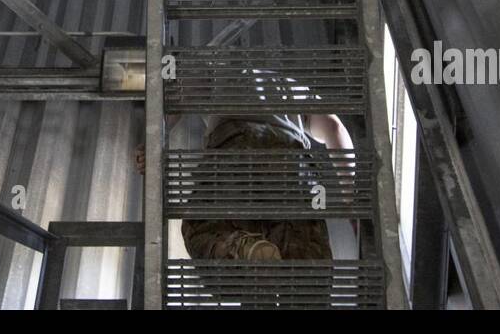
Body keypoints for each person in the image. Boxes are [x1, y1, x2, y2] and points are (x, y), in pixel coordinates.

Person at [136, 96, 354, 262]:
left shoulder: (217, 73)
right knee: (306, 256)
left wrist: (154, 143)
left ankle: (240, 247)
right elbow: (334, 128)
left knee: (203, 228)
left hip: (234, 146)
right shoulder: (294, 89)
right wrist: (350, 196)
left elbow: (179, 97)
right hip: (290, 160)